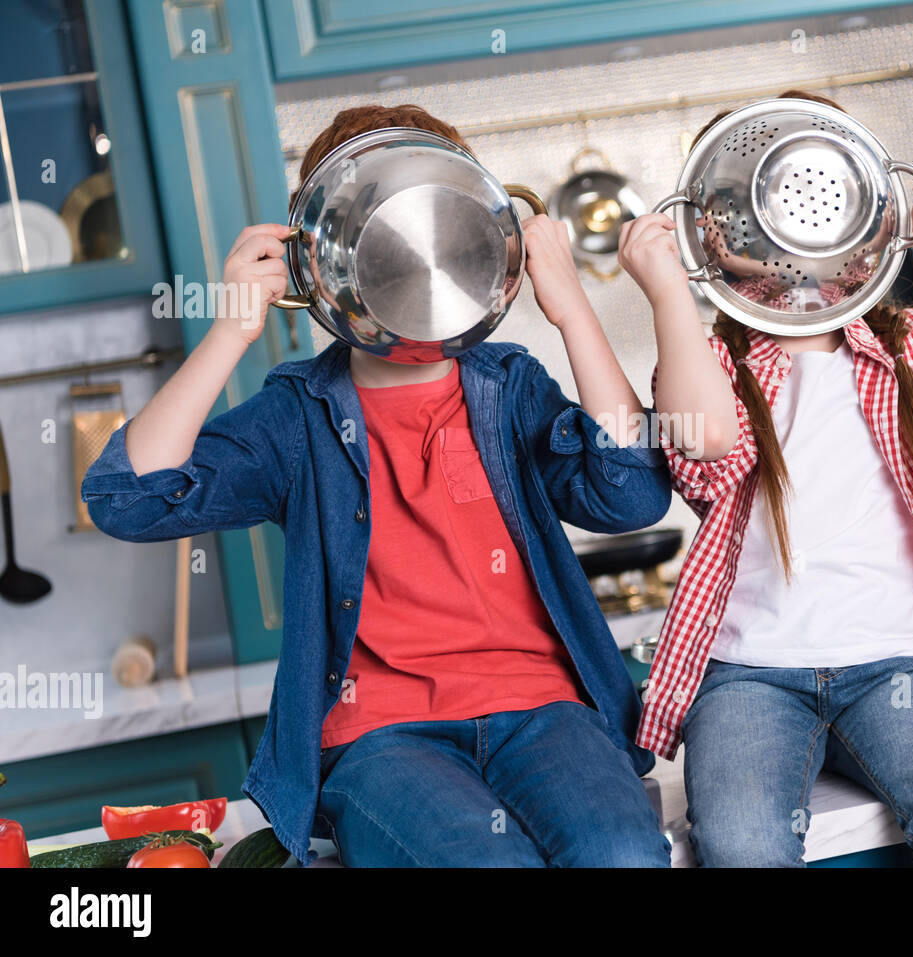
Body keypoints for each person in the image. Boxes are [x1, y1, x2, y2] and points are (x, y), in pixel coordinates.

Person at [83, 104, 672, 868]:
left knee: (623, 854)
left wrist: (571, 309)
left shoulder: (511, 386)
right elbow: (128, 497)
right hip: (381, 736)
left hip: (544, 709)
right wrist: (230, 328)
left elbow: (631, 495)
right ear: (319, 255)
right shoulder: (296, 415)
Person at [617, 90, 913, 867]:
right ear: (712, 236)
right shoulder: (717, 364)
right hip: (749, 676)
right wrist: (667, 291)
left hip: (905, 663)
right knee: (740, 844)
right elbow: (701, 442)